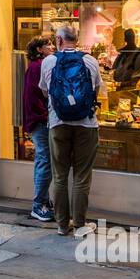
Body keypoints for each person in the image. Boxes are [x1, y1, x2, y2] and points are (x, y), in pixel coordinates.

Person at [39, 25, 103, 237]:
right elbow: (96, 90)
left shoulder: (49, 62)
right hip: (86, 125)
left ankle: (61, 225)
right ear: (76, 40)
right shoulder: (90, 61)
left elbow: (45, 90)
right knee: (82, 176)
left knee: (59, 176)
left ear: (58, 40)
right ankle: (80, 225)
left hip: (57, 124)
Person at [23, 36, 56, 223]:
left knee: (42, 160)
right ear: (39, 50)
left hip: (39, 119)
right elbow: (41, 94)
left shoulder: (37, 66)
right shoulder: (38, 67)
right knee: (46, 160)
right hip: (41, 120)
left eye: (52, 43)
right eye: (47, 45)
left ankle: (42, 200)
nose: (51, 47)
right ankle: (39, 205)